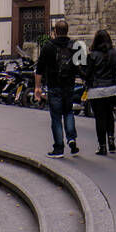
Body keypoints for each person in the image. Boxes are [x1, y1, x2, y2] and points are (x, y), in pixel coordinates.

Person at [35, 19, 79, 157]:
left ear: (55, 32)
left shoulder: (48, 47)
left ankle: (59, 148)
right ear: (67, 31)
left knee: (56, 117)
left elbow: (40, 69)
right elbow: (81, 66)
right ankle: (71, 139)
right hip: (69, 86)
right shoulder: (75, 46)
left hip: (54, 86)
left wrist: (37, 87)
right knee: (68, 112)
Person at [83, 29, 116, 155]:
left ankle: (102, 146)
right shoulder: (115, 53)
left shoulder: (92, 55)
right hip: (111, 88)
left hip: (96, 90)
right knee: (110, 115)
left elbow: (88, 74)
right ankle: (111, 140)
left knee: (100, 118)